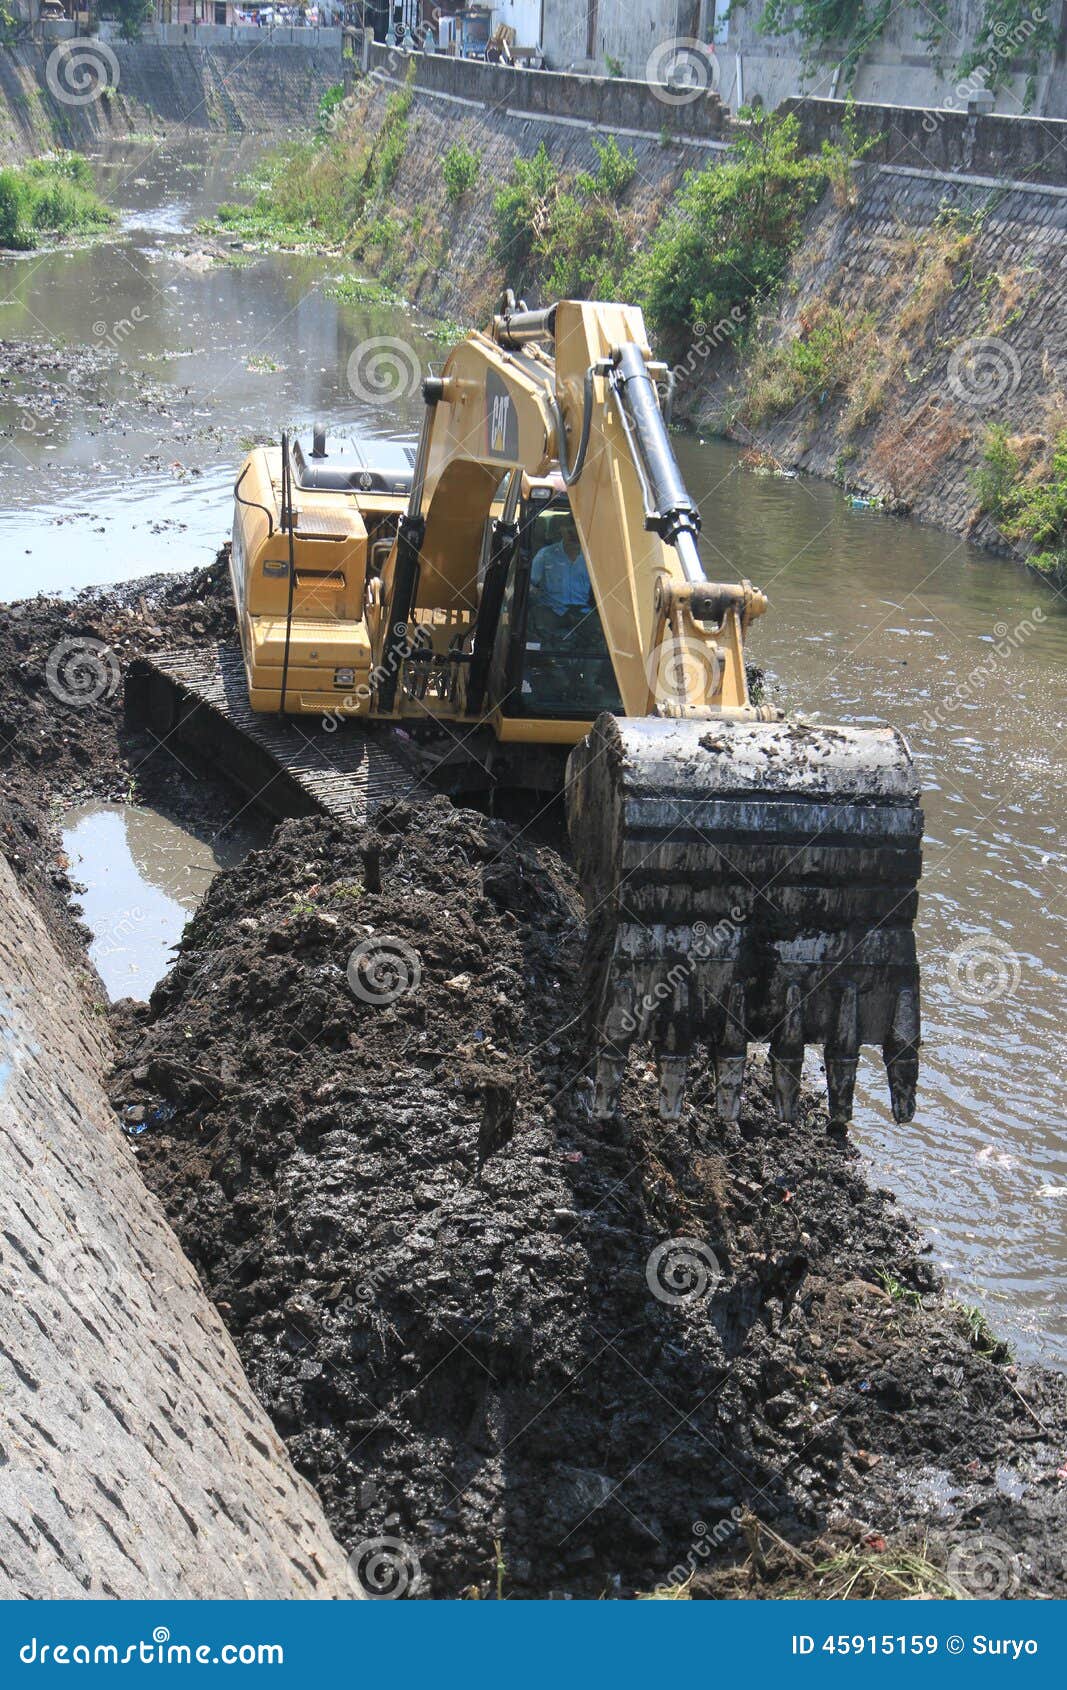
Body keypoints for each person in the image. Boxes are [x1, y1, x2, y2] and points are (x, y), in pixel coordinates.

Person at [529, 514, 593, 634]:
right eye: (571, 532)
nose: (574, 537)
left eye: (578, 533)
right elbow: (528, 585)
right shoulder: (545, 555)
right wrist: (537, 596)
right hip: (552, 613)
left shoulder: (593, 558)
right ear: (561, 530)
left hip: (583, 615)